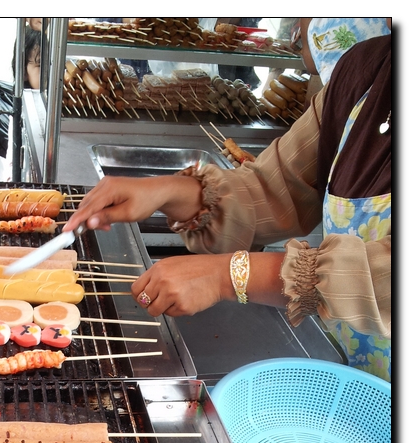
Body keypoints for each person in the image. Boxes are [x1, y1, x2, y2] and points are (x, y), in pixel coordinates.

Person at [64, 31, 391, 382]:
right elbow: (271, 187)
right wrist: (171, 191)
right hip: (339, 362)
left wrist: (227, 274)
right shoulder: (366, 72)